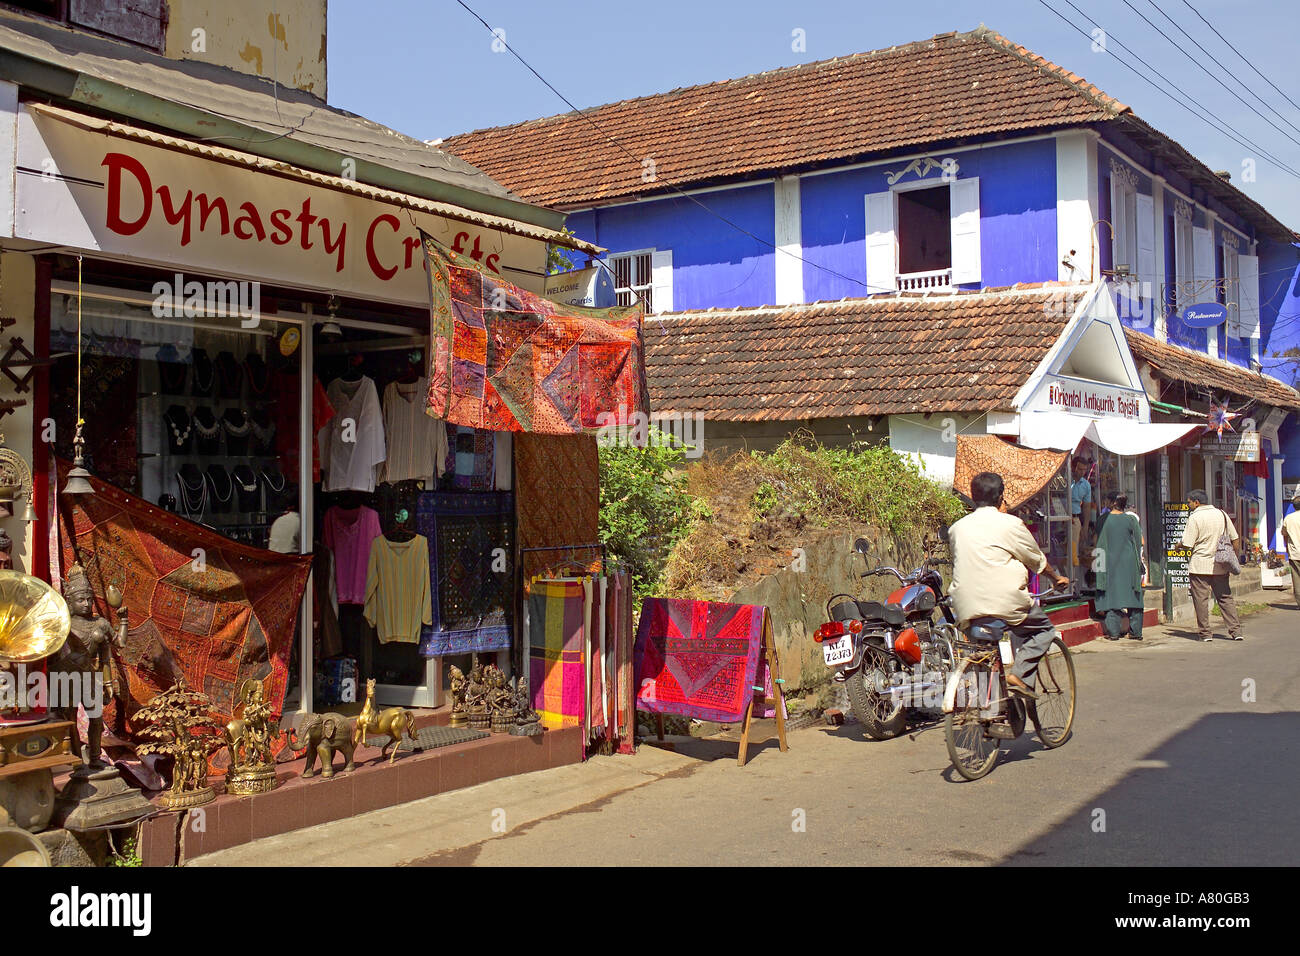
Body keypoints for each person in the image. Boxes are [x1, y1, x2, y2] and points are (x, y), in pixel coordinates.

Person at [948, 471, 1071, 698]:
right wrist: (1056, 578)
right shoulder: (1011, 524)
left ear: (973, 497)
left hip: (966, 606)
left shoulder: (956, 528)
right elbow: (1036, 559)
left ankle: (986, 708)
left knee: (982, 652)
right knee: (1044, 630)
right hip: (1006, 604)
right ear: (1000, 497)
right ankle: (1020, 675)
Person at [1181, 489, 1242, 642]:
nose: (1188, 505)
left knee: (1201, 600)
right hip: (1220, 565)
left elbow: (1187, 544)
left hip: (1200, 565)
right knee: (1225, 598)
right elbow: (1235, 539)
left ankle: (1205, 634)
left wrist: (1177, 546)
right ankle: (1236, 631)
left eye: (1189, 502)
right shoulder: (1222, 514)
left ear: (1196, 502)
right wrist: (1232, 557)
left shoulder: (1195, 518)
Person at [1094, 495, 1145, 641]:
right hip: (1130, 562)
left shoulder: (1103, 519)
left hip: (1109, 561)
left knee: (1112, 596)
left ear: (1112, 503)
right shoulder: (1131, 519)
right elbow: (1139, 541)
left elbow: (1096, 541)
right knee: (1134, 597)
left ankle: (1114, 633)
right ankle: (1136, 632)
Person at [1069, 458, 1094, 590]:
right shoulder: (1066, 480)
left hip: (1076, 519)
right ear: (1073, 468)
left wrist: (1085, 526)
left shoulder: (1086, 485)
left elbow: (1086, 507)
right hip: (1061, 520)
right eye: (1079, 469)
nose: (1082, 472)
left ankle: (1074, 585)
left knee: (1074, 552)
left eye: (1084, 470)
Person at [1280, 489, 1300, 609]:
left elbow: (1284, 533)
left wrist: (1286, 548)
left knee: (1297, 579)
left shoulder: (1289, 518)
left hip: (1295, 552)